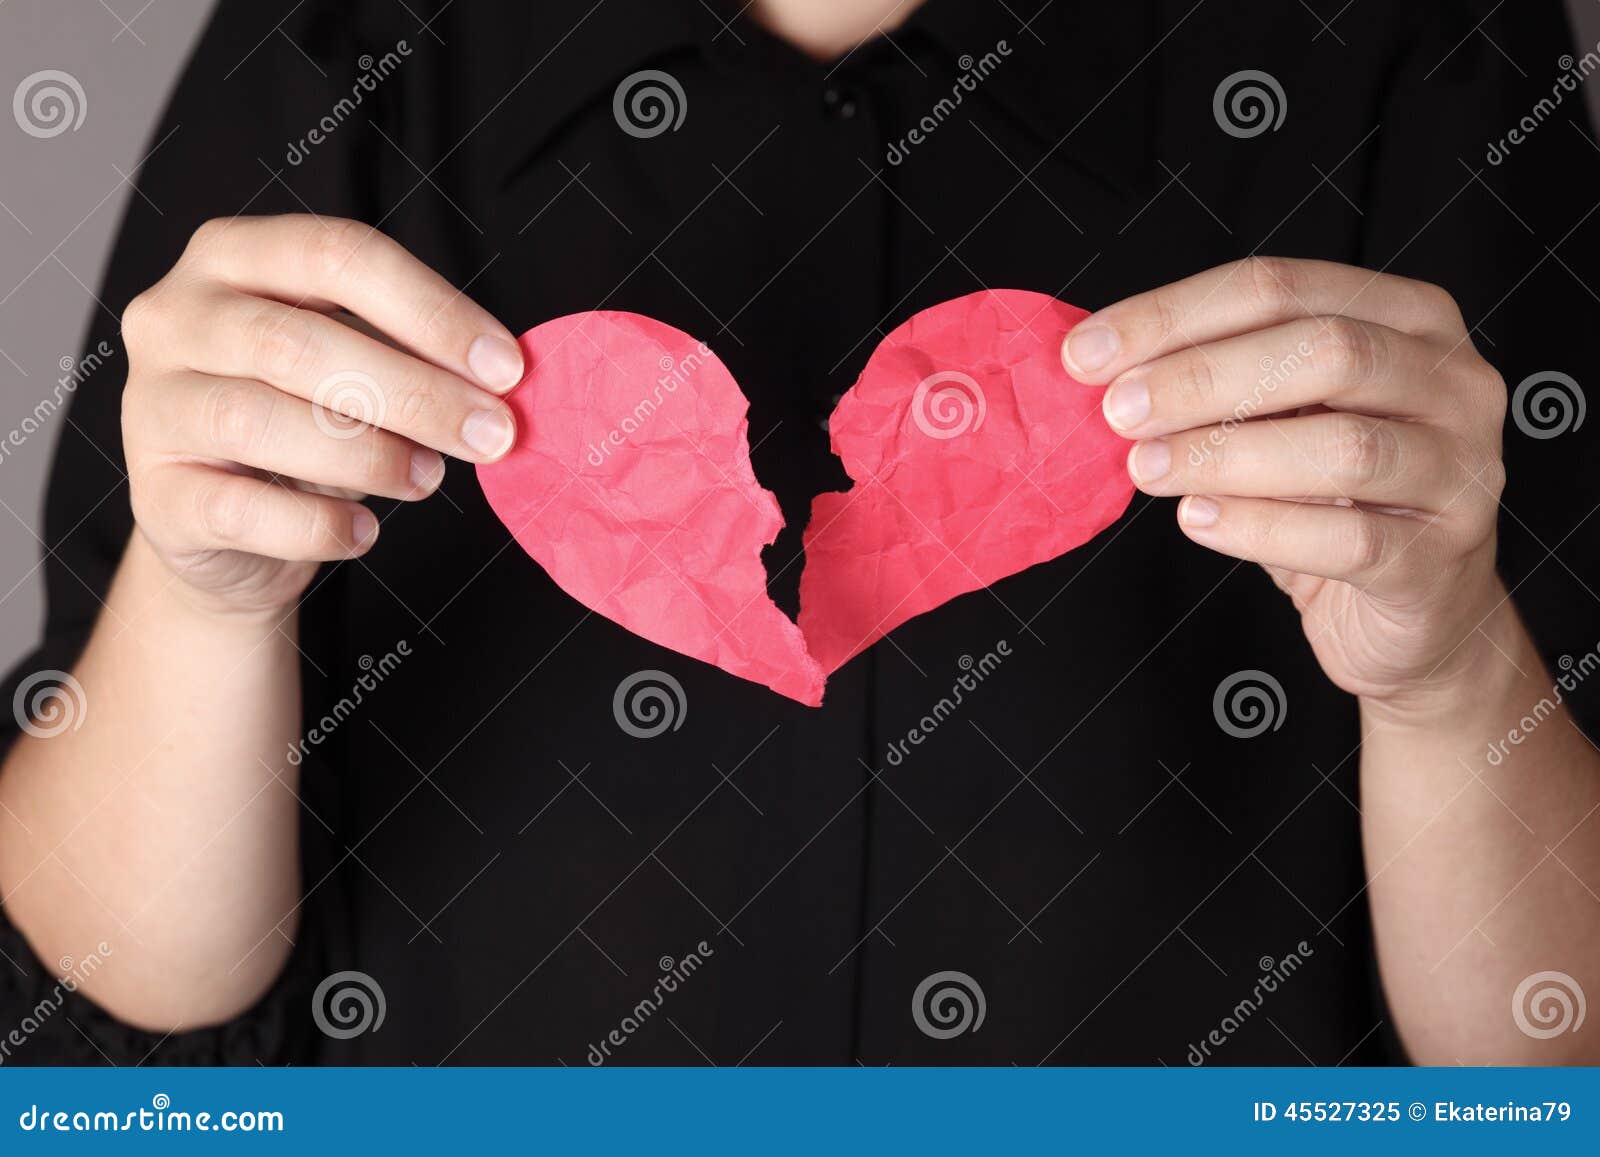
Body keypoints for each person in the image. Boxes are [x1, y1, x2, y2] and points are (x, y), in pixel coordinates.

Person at [1, 0, 1597, 1066]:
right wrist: (206, 606)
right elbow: (126, 984)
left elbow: (1558, 1043)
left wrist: (1454, 682)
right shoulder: (353, 40)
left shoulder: (1407, 50)